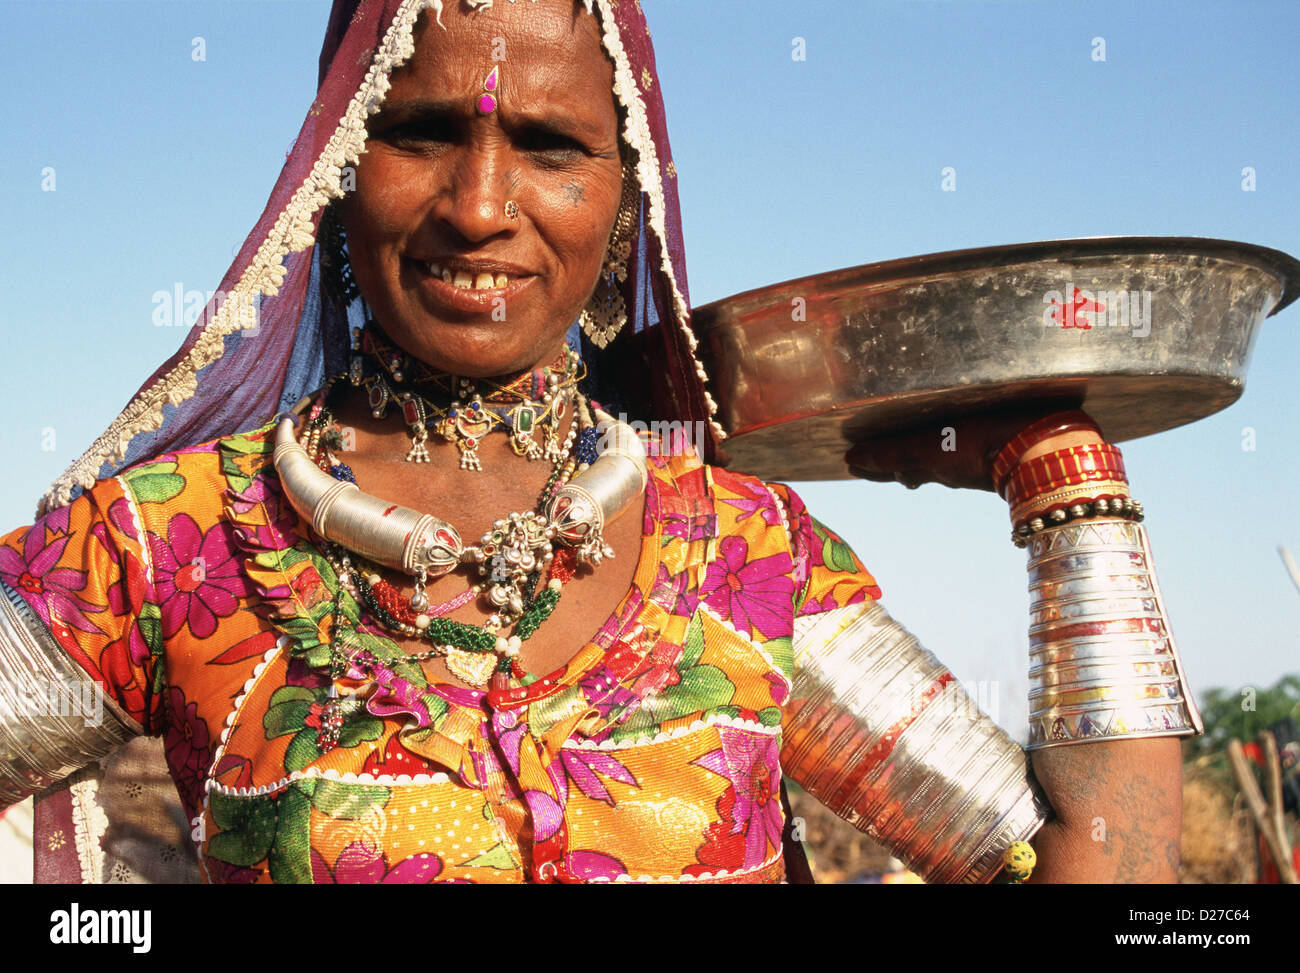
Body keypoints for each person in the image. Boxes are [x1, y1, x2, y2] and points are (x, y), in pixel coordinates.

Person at [0, 0, 1198, 884]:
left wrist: (1061, 467)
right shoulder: (169, 546)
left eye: (550, 146)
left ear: (623, 198)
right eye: (418, 132)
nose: (478, 204)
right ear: (334, 169)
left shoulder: (744, 556)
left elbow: (1089, 873)